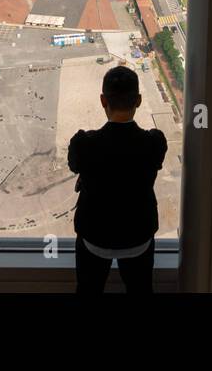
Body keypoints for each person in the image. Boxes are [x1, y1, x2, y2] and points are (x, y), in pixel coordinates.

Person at [67, 65, 168, 294]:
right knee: (141, 289)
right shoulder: (154, 143)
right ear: (139, 100)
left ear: (103, 100)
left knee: (88, 289)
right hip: (138, 235)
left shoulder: (84, 144)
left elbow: (74, 166)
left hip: (94, 236)